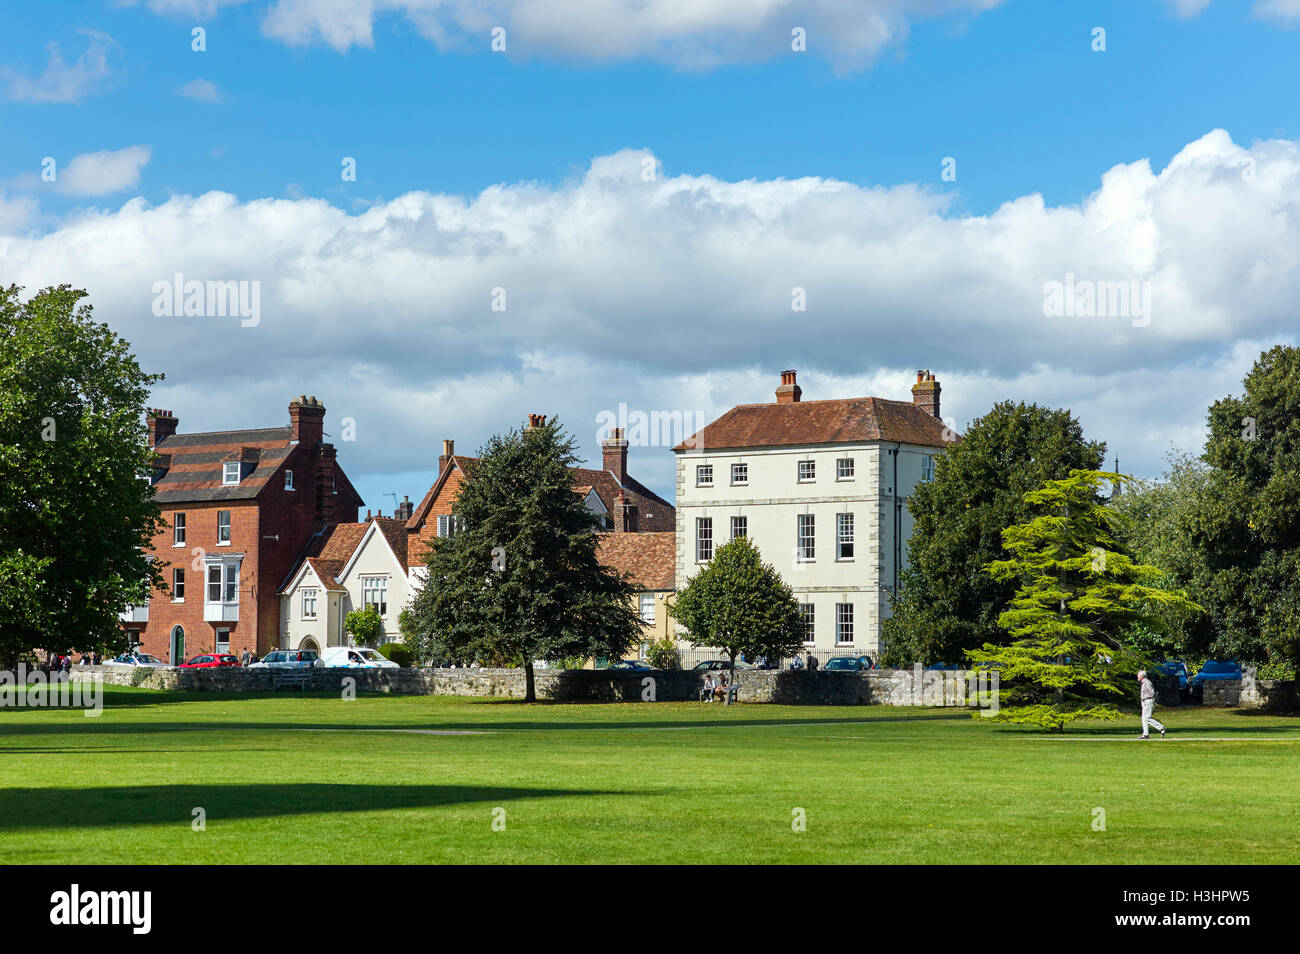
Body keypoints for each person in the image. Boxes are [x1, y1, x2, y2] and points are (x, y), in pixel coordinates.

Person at [1137, 670, 1166, 739]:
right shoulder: (1143, 683)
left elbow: (1152, 692)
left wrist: (1152, 701)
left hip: (1148, 700)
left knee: (1147, 718)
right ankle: (1145, 734)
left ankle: (1161, 727)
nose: (1137, 676)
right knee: (1144, 718)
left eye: (1138, 675)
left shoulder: (1147, 682)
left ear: (1141, 676)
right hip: (1145, 701)